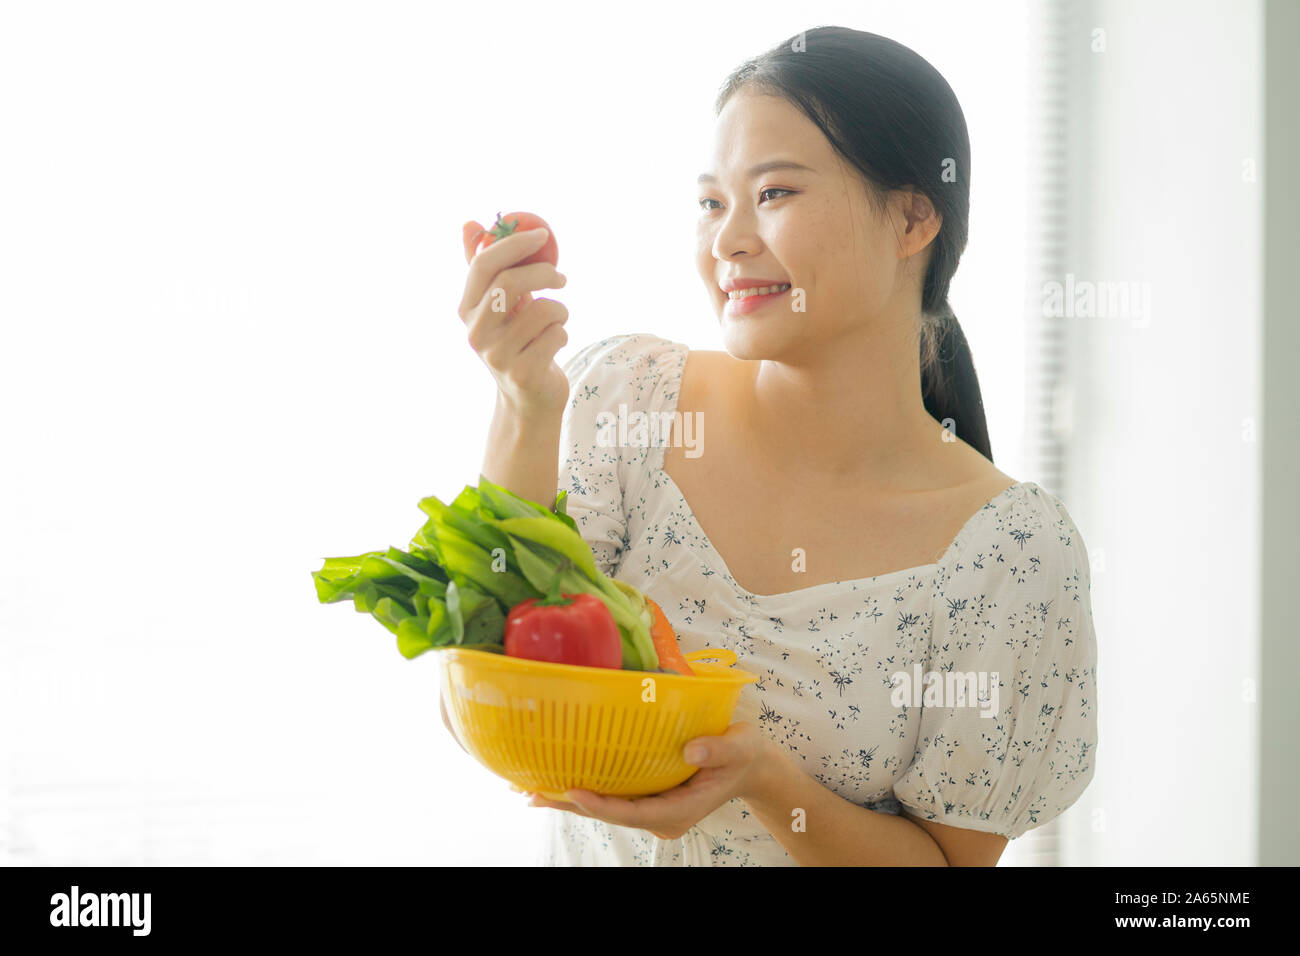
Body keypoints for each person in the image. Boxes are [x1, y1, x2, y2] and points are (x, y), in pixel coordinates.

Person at [455, 26, 1098, 866]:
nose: (726, 241)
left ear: (913, 216)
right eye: (712, 202)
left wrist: (762, 778)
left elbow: (950, 863)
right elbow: (482, 678)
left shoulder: (1014, 555)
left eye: (776, 193)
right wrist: (525, 406)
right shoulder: (624, 400)